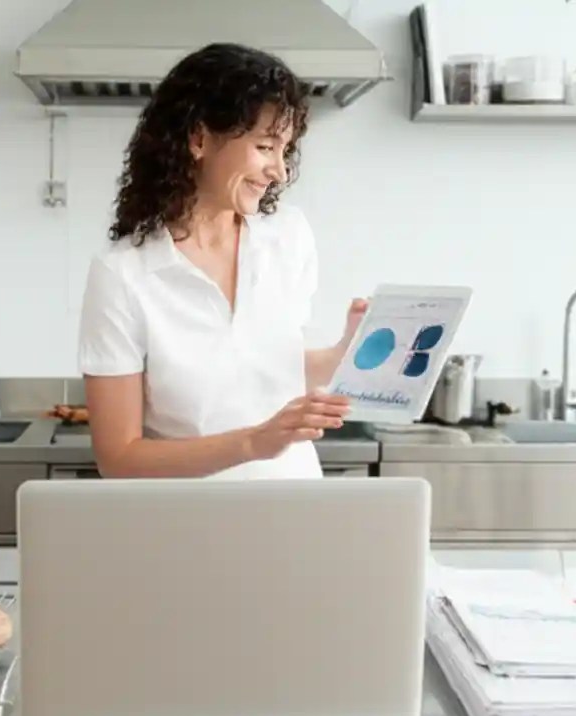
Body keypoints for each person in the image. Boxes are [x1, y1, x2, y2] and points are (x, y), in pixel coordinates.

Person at [77, 43, 368, 480]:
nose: (279, 171)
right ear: (199, 139)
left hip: (298, 510)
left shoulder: (288, 237)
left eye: (284, 150)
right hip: (191, 529)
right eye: (265, 146)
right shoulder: (123, 274)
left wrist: (343, 355)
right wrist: (251, 443)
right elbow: (118, 458)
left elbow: (267, 366)